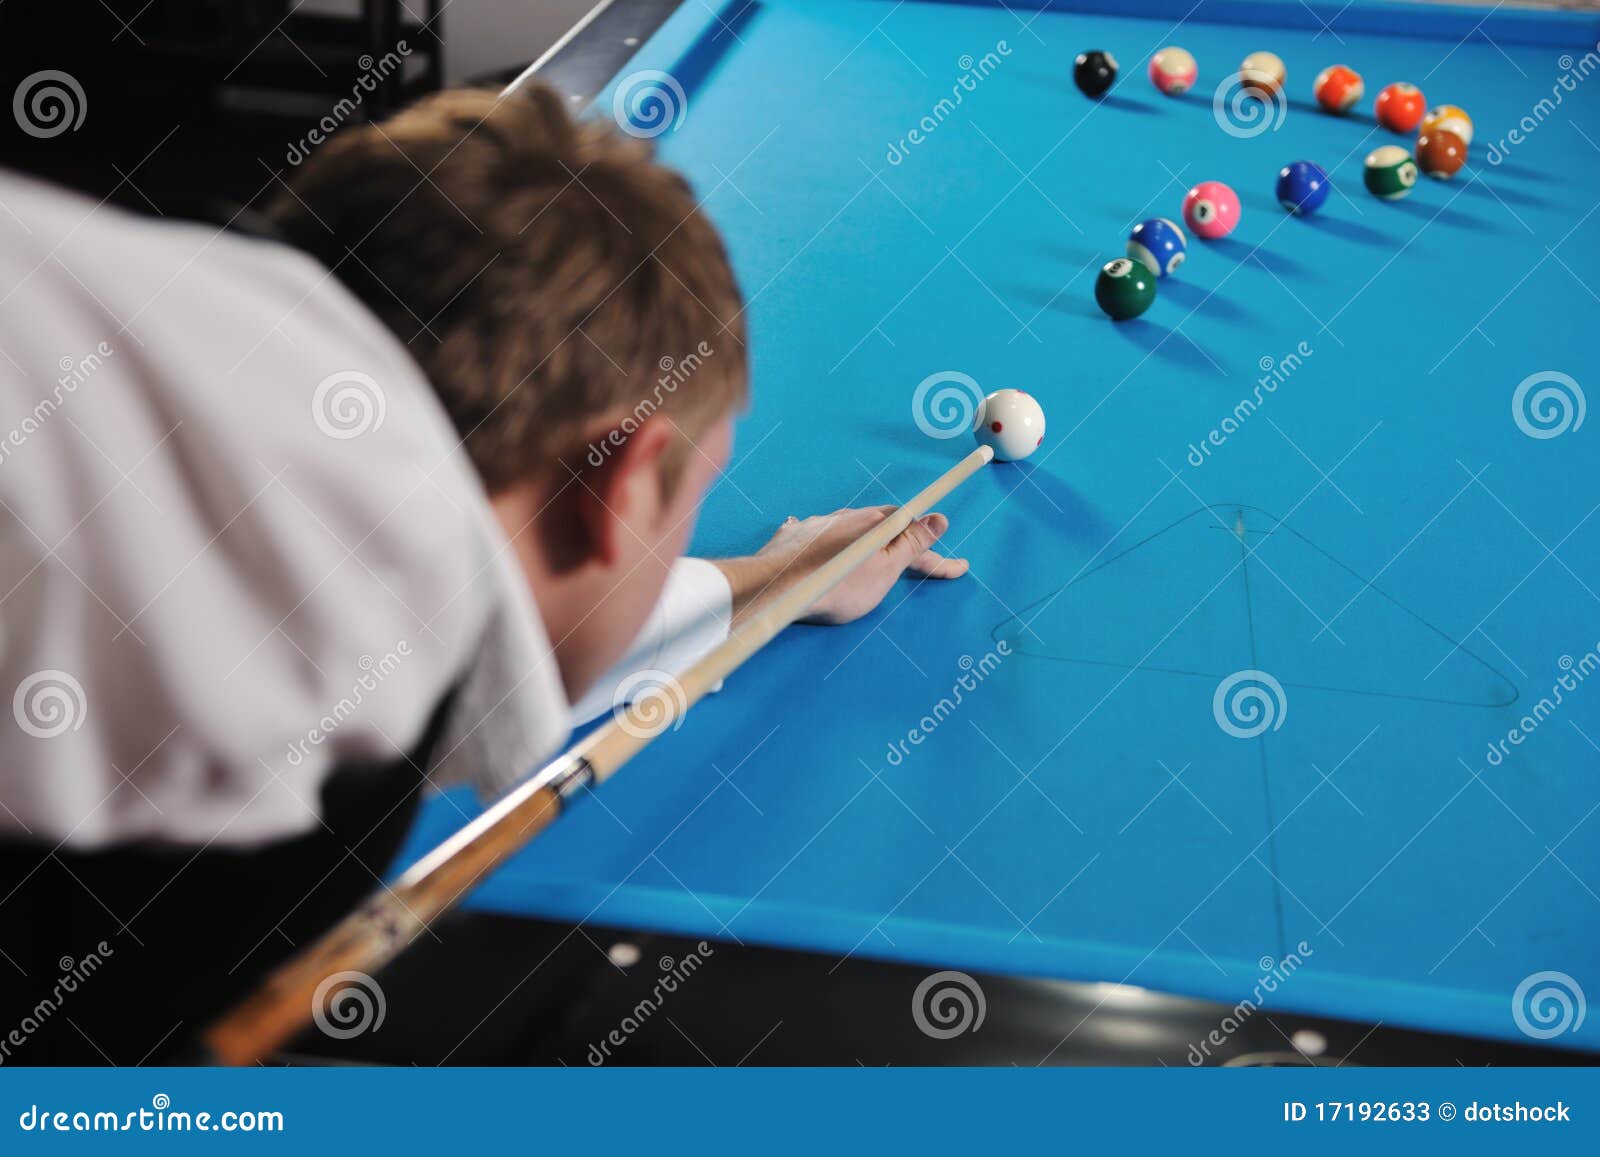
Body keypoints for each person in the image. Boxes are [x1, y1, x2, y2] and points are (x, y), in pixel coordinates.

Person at [0, 83, 966, 1064]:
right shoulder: (321, 615)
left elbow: (491, 616)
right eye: (686, 506)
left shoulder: (207, 312)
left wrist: (757, 582)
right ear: (625, 482)